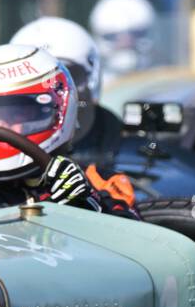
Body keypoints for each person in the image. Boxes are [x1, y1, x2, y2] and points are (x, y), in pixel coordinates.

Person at [0, 44, 135, 218]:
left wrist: (89, 204)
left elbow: (140, 250)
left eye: (17, 115)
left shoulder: (103, 184)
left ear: (59, 110)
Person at [8, 15, 131, 207]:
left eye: (71, 74)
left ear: (92, 80)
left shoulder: (129, 160)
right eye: (34, 81)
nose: (51, 93)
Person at [89, 0, 156, 82]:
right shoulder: (94, 83)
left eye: (136, 34)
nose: (126, 43)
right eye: (112, 36)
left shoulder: (163, 80)